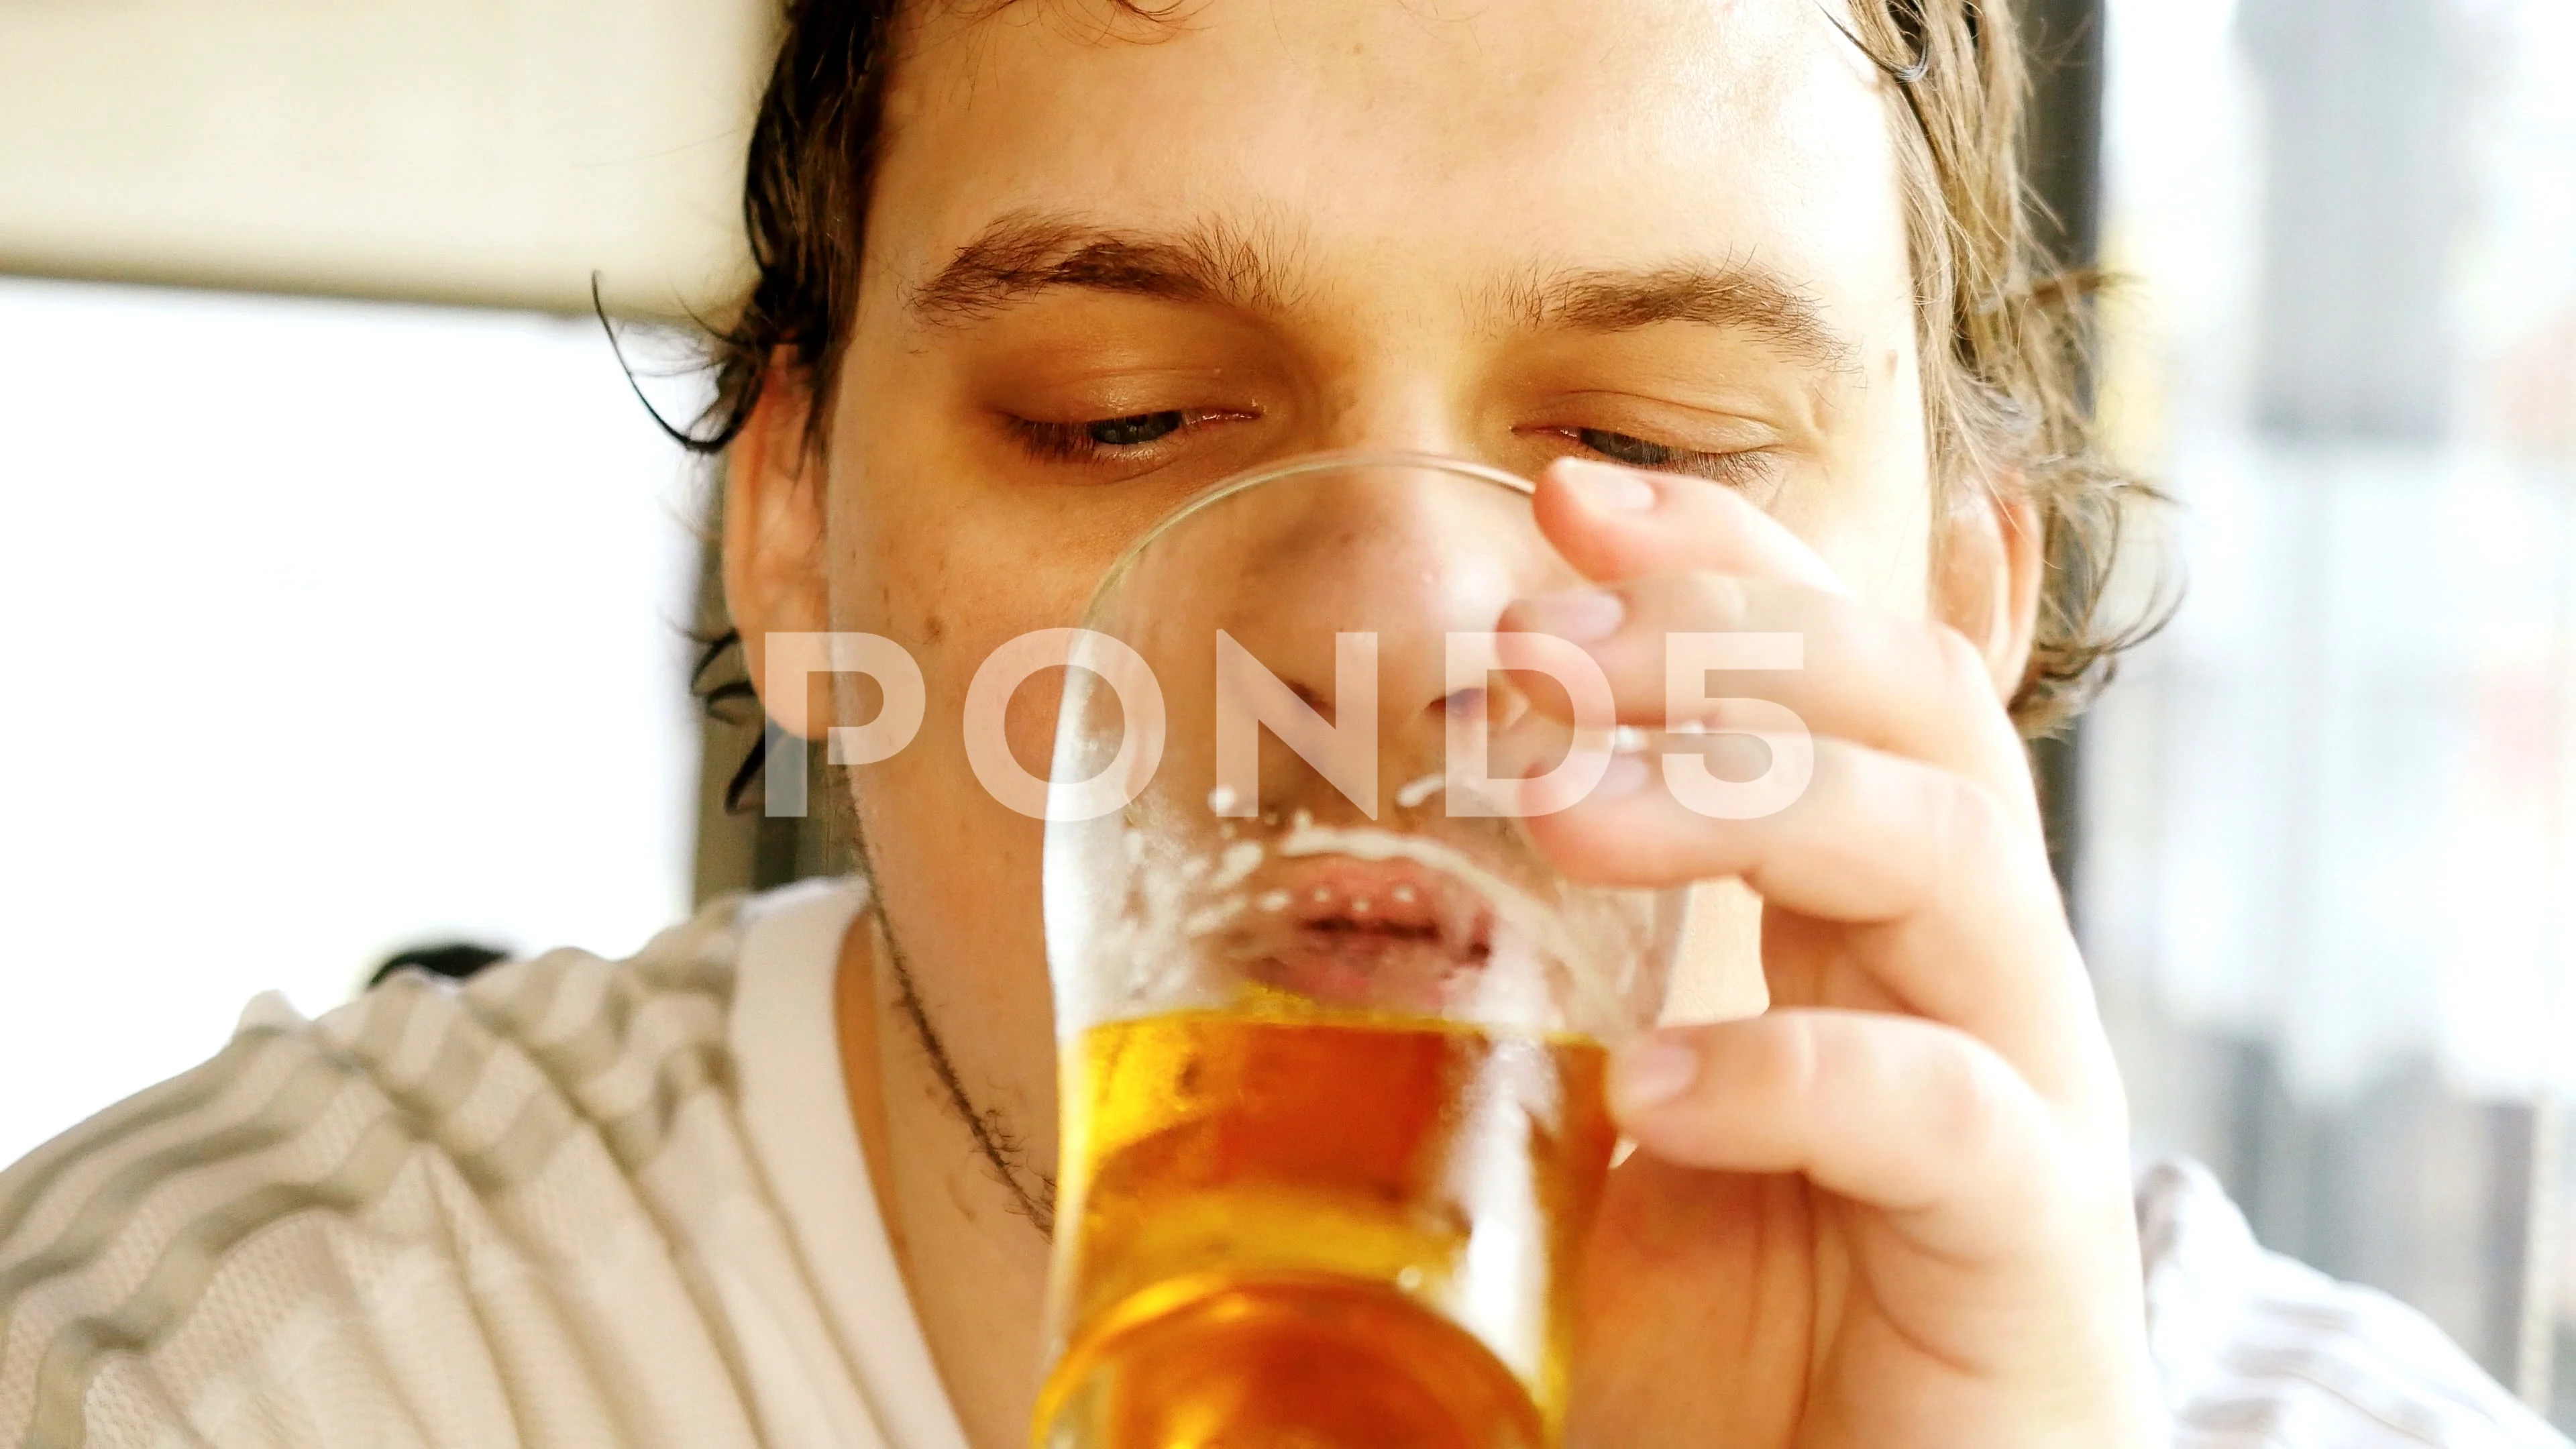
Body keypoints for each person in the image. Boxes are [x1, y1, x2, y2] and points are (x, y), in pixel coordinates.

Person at [1, 1, 2563, 1445]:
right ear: (790, 540)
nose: (1380, 636)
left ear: (1951, 614)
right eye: (1125, 415)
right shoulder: (249, 1357)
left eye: (1649, 452)